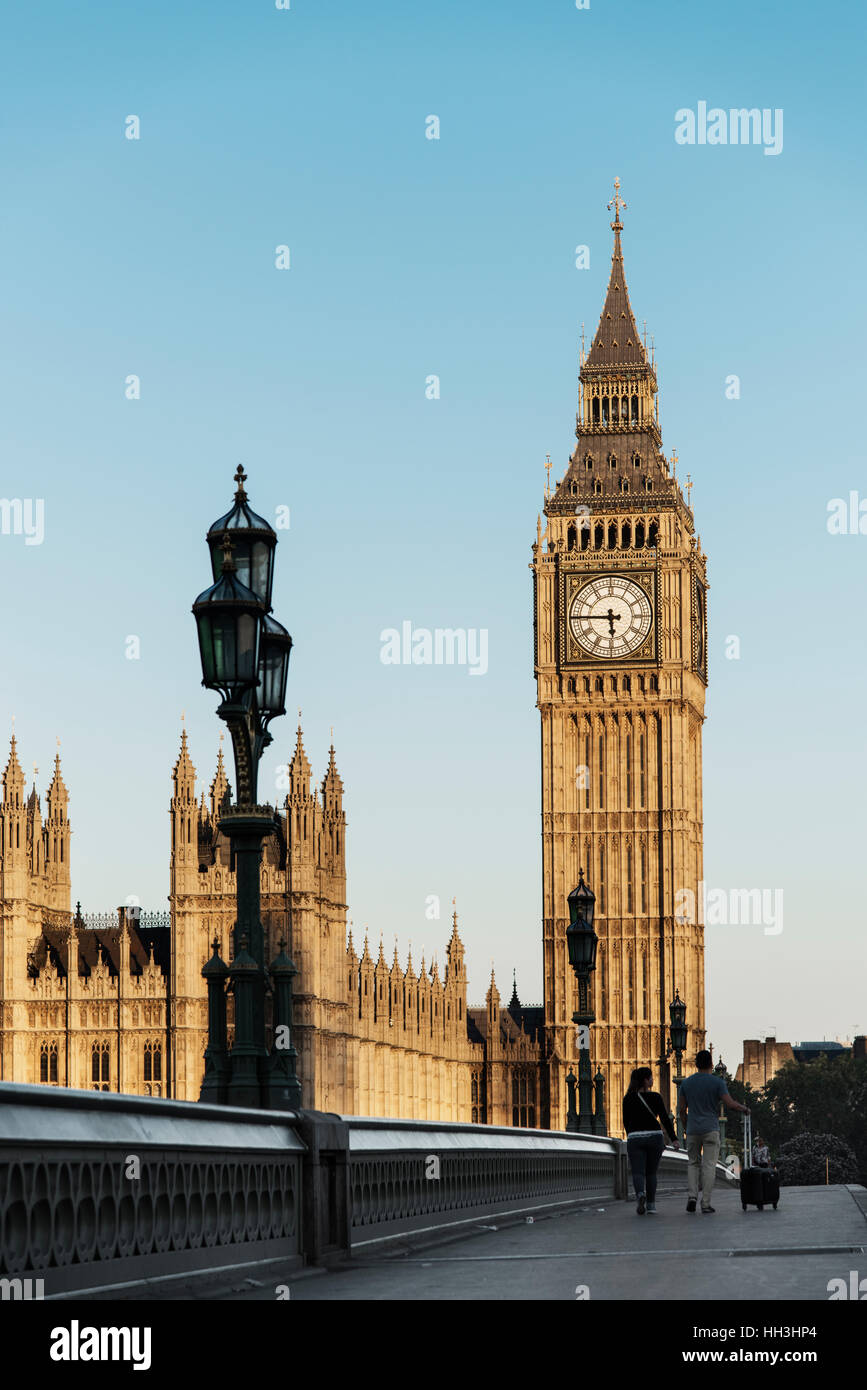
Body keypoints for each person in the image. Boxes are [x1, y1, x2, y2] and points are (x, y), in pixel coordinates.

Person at [678, 1050, 749, 1213]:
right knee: (709, 1165)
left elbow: (681, 1109)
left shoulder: (686, 1084)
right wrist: (744, 1108)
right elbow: (730, 1103)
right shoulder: (717, 1083)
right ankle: (705, 1203)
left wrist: (686, 1125)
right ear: (711, 1064)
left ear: (696, 1064)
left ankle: (692, 1196)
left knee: (692, 1163)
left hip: (693, 1129)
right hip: (710, 1128)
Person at [622, 1067, 679, 1215]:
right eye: (651, 1078)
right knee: (651, 1173)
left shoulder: (628, 1098)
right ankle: (651, 1205)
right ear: (646, 1081)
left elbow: (625, 1121)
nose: (653, 1080)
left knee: (638, 1172)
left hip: (635, 1137)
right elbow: (665, 1119)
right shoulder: (656, 1097)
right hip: (654, 1136)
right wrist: (674, 1139)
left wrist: (632, 1135)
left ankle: (640, 1194)